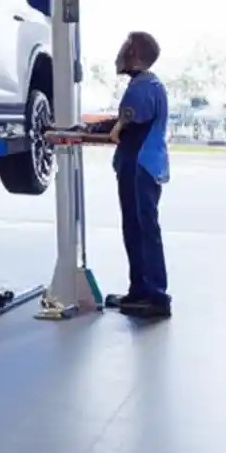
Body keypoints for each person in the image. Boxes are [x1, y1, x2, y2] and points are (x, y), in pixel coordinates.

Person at [85, 31, 172, 318]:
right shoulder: (149, 84)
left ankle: (154, 296)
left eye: (125, 47)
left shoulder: (143, 87)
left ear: (134, 53)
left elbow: (125, 124)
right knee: (138, 228)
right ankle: (140, 291)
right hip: (146, 165)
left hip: (140, 167)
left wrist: (100, 129)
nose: (120, 52)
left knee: (141, 229)